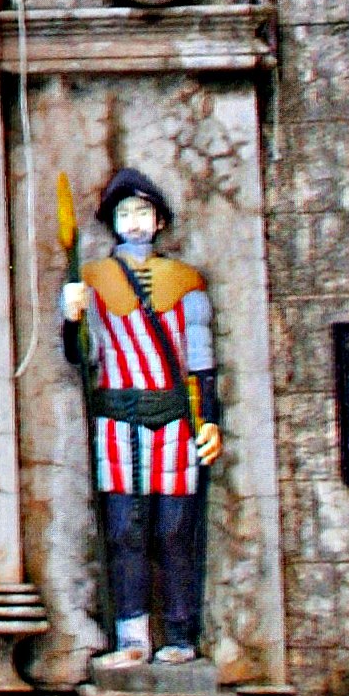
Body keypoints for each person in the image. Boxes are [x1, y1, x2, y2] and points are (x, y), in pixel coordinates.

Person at [61, 166, 221, 667]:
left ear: (157, 220)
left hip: (174, 418)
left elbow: (200, 359)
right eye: (126, 212)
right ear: (113, 221)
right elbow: (85, 356)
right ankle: (132, 634)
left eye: (143, 212)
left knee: (176, 529)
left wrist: (208, 419)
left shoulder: (185, 281)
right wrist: (74, 319)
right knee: (125, 529)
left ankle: (180, 632)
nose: (134, 221)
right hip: (119, 421)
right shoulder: (94, 279)